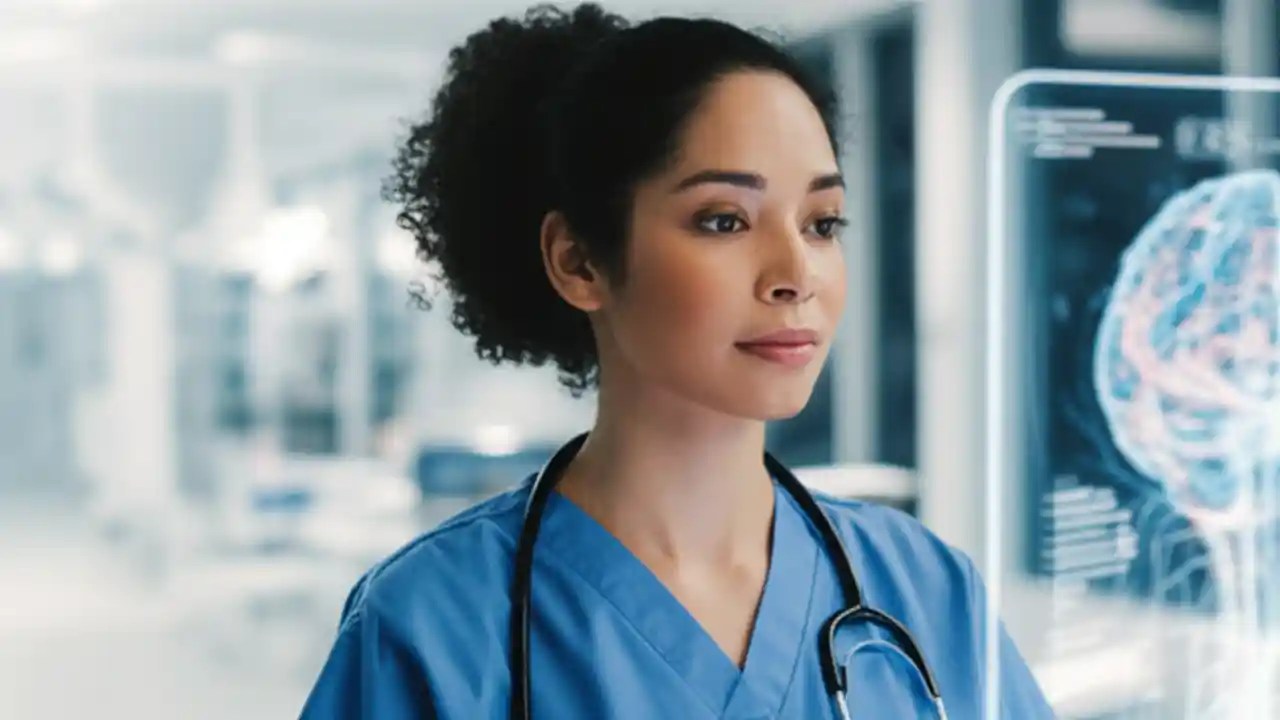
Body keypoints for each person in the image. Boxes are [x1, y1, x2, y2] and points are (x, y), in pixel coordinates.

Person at [300, 3, 1055, 718]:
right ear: (579, 262)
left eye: (822, 223)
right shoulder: (432, 625)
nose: (796, 273)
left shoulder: (928, 591)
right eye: (724, 220)